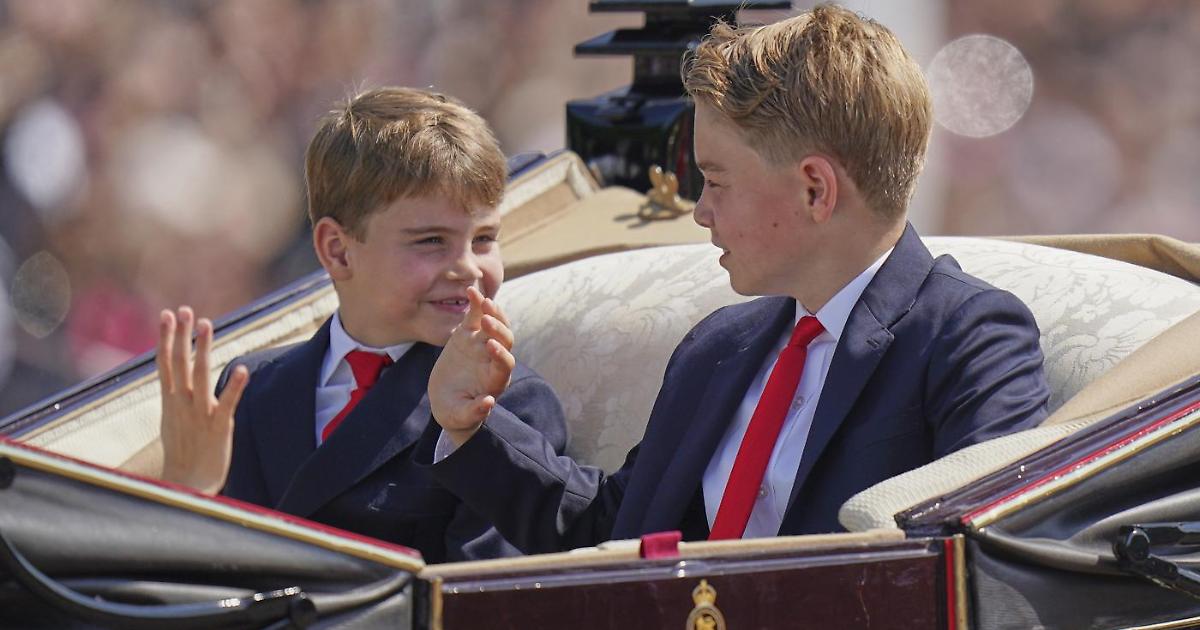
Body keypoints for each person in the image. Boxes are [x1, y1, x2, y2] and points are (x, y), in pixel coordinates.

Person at [425, 5, 1050, 553]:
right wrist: (473, 426)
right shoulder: (720, 347)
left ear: (815, 189)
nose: (699, 210)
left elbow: (975, 563)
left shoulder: (969, 337)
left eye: (716, 180)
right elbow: (615, 537)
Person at [154, 87, 567, 563]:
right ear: (337, 249)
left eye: (484, 239)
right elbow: (200, 584)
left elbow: (480, 598)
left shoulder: (507, 405)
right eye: (431, 241)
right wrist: (187, 494)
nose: (468, 268)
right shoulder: (250, 389)